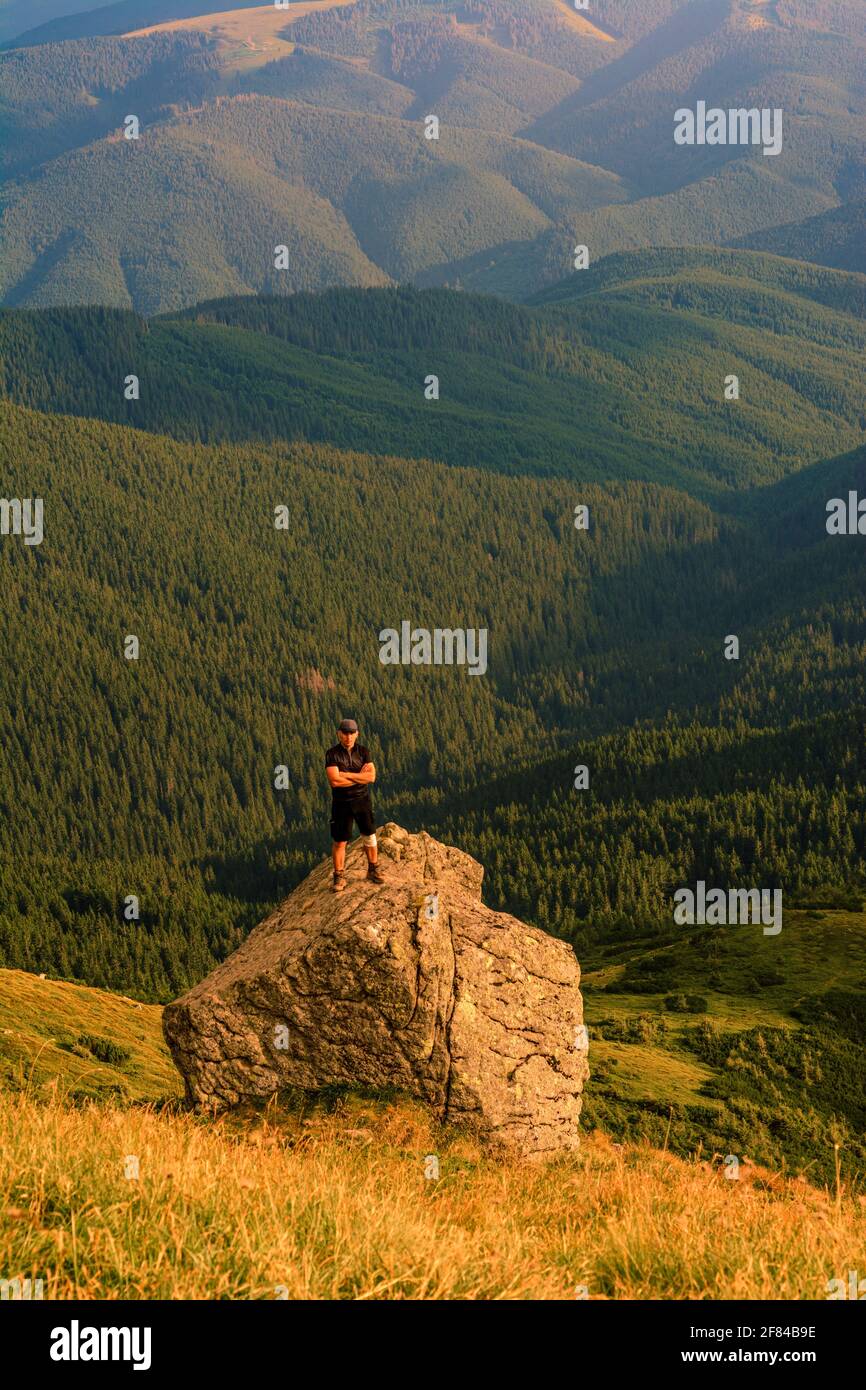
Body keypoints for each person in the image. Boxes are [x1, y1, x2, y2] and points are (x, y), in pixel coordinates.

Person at [325, 719, 385, 892]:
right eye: (345, 733)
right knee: (340, 841)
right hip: (341, 803)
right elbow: (335, 781)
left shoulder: (364, 752)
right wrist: (358, 776)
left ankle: (373, 869)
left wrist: (345, 774)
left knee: (369, 835)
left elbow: (371, 777)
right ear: (339, 733)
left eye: (352, 733)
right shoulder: (332, 754)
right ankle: (339, 877)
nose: (348, 737)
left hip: (362, 801)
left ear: (357, 734)